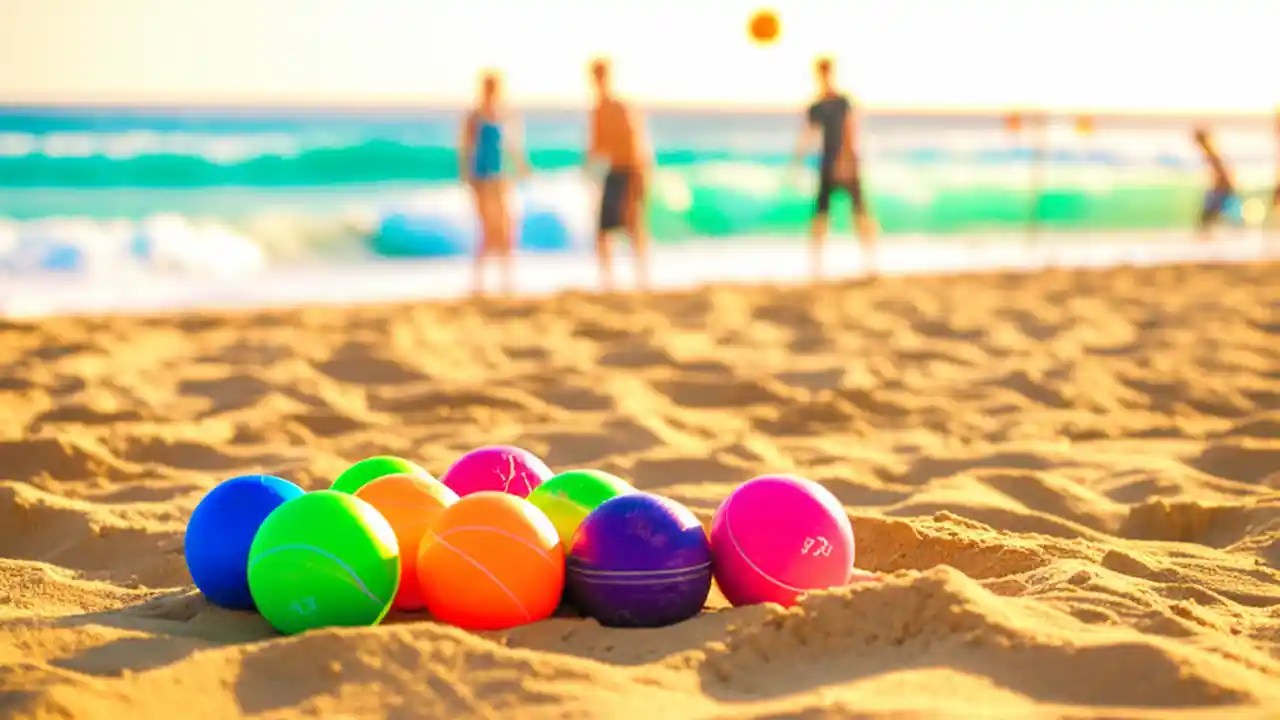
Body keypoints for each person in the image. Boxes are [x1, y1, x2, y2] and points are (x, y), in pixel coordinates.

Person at [794, 56, 876, 279]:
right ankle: (816, 266)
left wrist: (847, 160)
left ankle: (870, 263)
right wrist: (797, 161)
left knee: (860, 212)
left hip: (845, 161)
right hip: (826, 163)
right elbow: (809, 133)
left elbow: (851, 130)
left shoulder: (843, 102)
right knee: (821, 214)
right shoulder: (817, 106)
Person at [459, 70, 528, 295]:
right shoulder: (475, 116)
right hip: (482, 178)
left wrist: (521, 166)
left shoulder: (504, 115)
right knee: (488, 230)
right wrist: (468, 177)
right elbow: (467, 149)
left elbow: (511, 146)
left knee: (506, 229)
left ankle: (506, 281)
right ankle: (479, 283)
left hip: (500, 178)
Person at [585, 58, 651, 292]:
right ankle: (608, 280)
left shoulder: (620, 108)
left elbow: (636, 143)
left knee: (633, 225)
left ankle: (642, 277)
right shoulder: (598, 110)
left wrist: (639, 176)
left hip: (630, 170)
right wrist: (588, 173)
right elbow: (596, 146)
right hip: (614, 171)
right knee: (604, 230)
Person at [1192, 126, 1236, 240]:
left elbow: (1222, 173)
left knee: (1207, 217)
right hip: (1220, 189)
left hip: (1220, 190)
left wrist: (1218, 188)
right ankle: (1211, 239)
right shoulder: (1212, 153)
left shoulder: (1211, 153)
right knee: (1210, 217)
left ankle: (1209, 239)